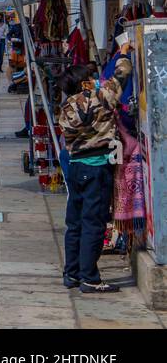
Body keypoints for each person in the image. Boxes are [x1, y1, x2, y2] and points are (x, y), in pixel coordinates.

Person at [56, 40, 133, 293]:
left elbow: (68, 138)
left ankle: (72, 273)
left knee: (75, 222)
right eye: (90, 76)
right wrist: (122, 53)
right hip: (97, 166)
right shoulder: (101, 97)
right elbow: (122, 73)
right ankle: (90, 278)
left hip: (76, 167)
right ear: (84, 82)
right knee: (94, 223)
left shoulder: (67, 107)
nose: (94, 78)